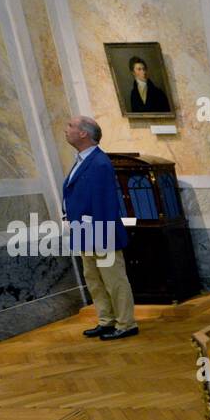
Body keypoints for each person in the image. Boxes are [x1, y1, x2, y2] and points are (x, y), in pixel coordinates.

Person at [63, 116, 137, 340]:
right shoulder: (82, 160)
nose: (66, 129)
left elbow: (105, 202)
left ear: (84, 133)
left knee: (114, 280)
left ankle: (126, 323)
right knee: (94, 279)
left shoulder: (99, 162)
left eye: (70, 126)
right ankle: (106, 320)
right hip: (84, 232)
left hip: (101, 233)